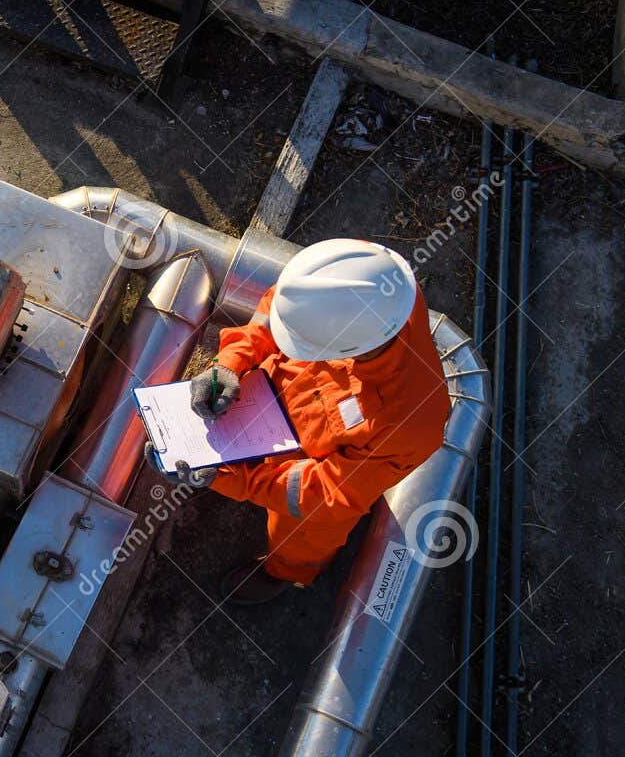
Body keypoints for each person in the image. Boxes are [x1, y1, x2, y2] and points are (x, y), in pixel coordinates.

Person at [173, 239, 451, 605]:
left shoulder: (411, 422)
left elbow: (328, 494)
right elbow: (279, 310)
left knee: (302, 537)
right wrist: (230, 362)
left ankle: (285, 573)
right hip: (270, 402)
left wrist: (228, 479)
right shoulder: (363, 279)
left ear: (344, 350)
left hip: (311, 486)